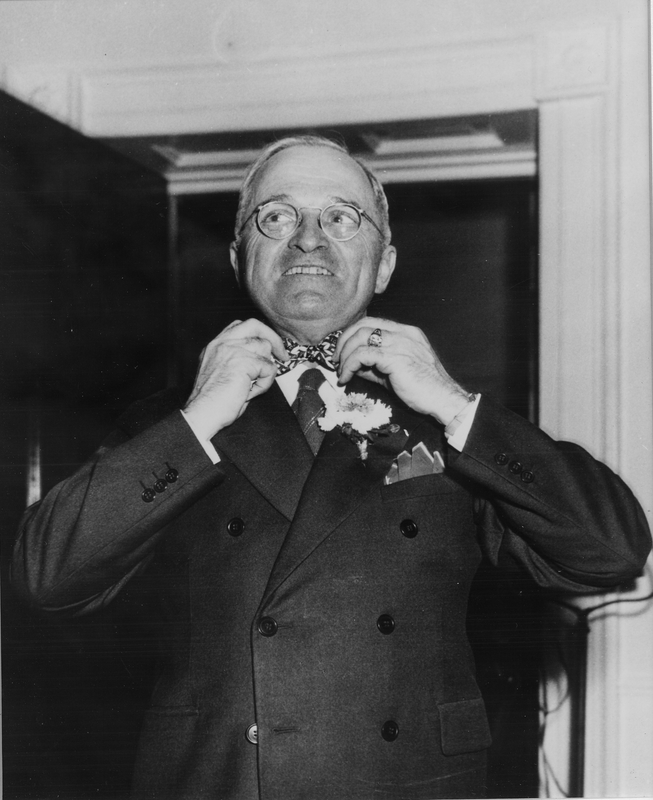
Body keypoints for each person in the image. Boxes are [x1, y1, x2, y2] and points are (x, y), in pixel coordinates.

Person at [12, 135, 651, 800]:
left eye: (341, 217)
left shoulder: (445, 422)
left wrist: (454, 405)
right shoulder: (171, 421)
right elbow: (47, 576)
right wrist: (200, 416)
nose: (308, 240)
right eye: (277, 217)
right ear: (239, 257)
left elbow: (609, 551)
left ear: (383, 265)